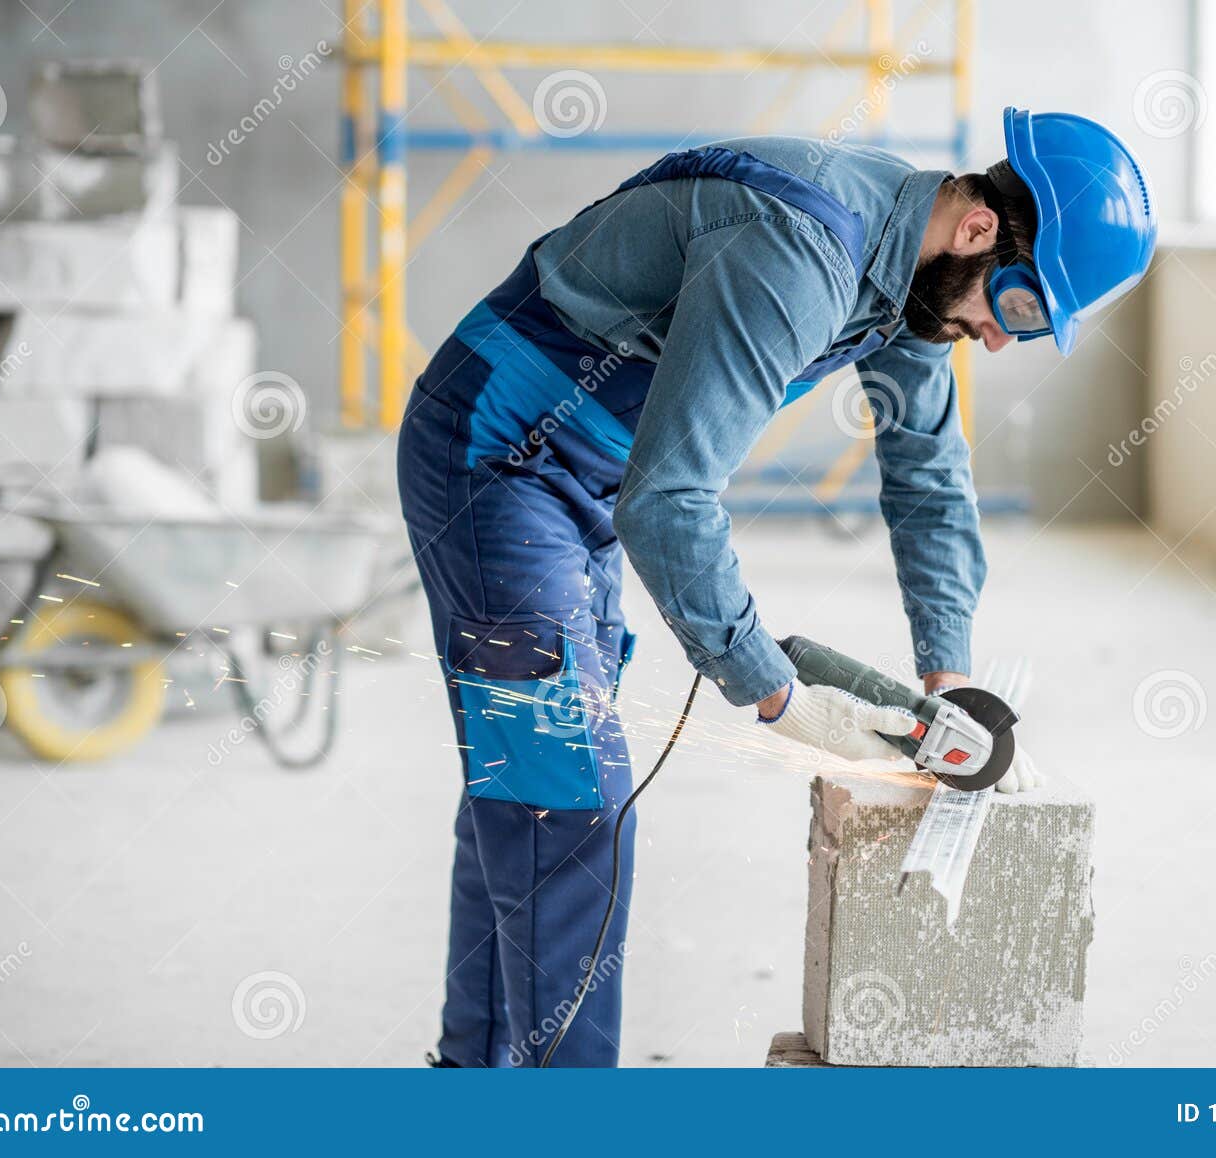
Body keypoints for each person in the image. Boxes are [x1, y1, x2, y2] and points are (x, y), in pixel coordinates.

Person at [399, 107, 1157, 1067]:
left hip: (584, 476)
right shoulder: (802, 254)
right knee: (566, 793)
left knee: (529, 771)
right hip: (499, 456)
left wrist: (945, 676)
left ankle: (473, 1075)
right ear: (980, 230)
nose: (1000, 342)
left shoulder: (912, 277)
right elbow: (670, 499)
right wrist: (777, 691)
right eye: (1014, 310)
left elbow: (928, 478)